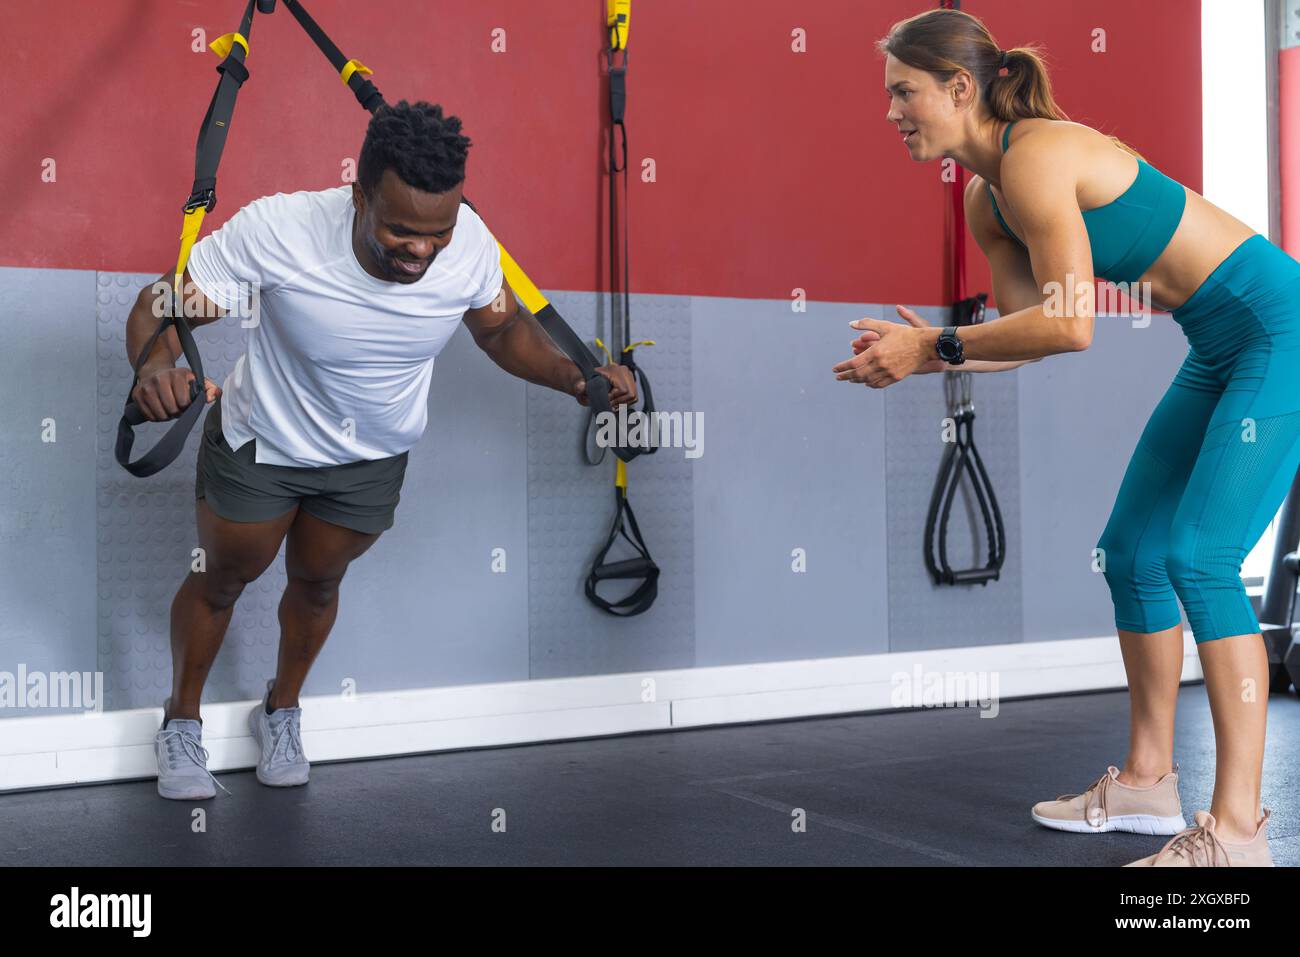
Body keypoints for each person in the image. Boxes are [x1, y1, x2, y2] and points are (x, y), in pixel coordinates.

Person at [834, 8, 1300, 866]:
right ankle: (1150, 783)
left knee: (1199, 554)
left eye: (904, 92)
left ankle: (1238, 833)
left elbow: (1071, 325)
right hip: (1220, 340)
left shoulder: (1037, 155)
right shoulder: (988, 198)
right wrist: (931, 360)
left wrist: (934, 345)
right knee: (1130, 551)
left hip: (1280, 327)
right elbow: (1028, 333)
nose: (892, 111)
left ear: (960, 87)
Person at [127, 100, 636, 800]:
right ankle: (180, 719)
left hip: (370, 456)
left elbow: (499, 331)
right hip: (263, 441)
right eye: (400, 228)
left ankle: (281, 709)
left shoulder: (470, 244)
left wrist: (574, 377)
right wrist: (154, 371)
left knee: (319, 583)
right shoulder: (284, 230)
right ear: (359, 196)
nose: (421, 250)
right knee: (225, 578)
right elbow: (162, 307)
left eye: (437, 231)